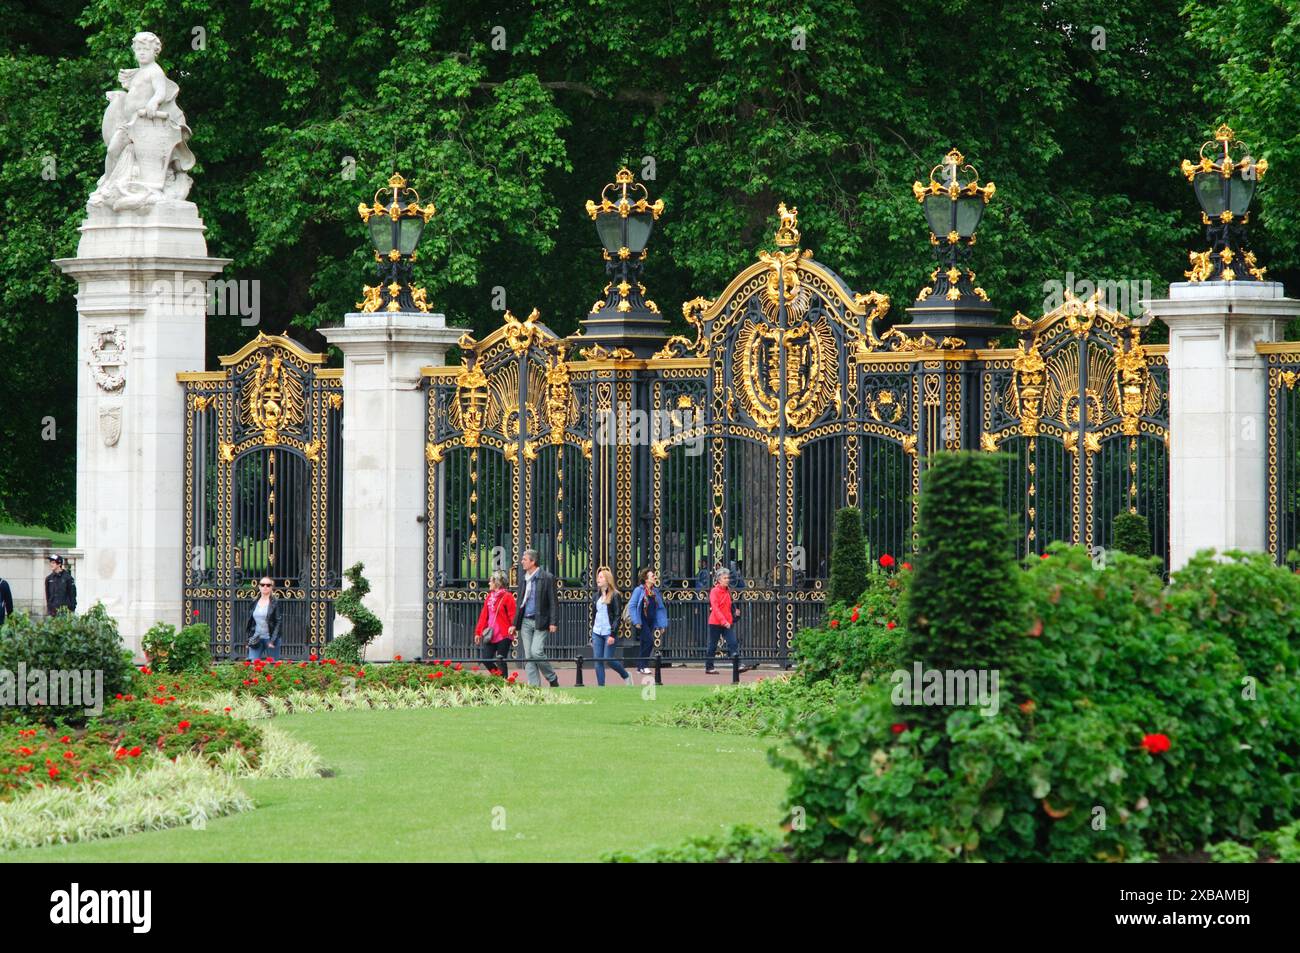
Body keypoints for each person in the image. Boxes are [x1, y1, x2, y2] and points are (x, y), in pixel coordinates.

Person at [509, 549, 560, 688]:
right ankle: (534, 687)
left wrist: (553, 622)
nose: (521, 562)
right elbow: (520, 602)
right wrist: (514, 623)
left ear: (533, 562)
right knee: (529, 656)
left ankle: (552, 677)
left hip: (541, 621)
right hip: (525, 621)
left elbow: (553, 602)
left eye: (524, 559)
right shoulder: (524, 578)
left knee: (536, 652)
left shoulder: (547, 577)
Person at [590, 567, 631, 686]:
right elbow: (594, 615)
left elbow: (617, 616)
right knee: (598, 660)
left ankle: (625, 675)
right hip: (597, 632)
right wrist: (592, 632)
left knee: (608, 659)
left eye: (601, 577)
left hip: (609, 632)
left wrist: (613, 634)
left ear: (607, 580)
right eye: (598, 577)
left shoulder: (615, 595)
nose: (598, 579)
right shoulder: (595, 596)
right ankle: (601, 686)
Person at [474, 571, 517, 677]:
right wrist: (478, 632)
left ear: (497, 583)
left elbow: (513, 614)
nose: (489, 583)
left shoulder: (508, 597)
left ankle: (504, 684)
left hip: (504, 634)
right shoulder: (489, 597)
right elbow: (484, 616)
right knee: (486, 659)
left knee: (500, 659)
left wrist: (513, 626)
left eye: (491, 581)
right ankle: (499, 677)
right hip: (491, 634)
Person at [628, 567, 669, 675]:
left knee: (644, 643)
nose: (655, 577)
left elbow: (660, 608)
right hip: (642, 621)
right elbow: (632, 606)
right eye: (652, 576)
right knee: (650, 641)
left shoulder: (655, 591)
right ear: (646, 579)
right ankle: (644, 665)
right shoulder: (639, 590)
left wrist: (662, 625)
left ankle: (639, 667)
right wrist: (636, 621)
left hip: (651, 621)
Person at [705, 567, 744, 675]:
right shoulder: (714, 591)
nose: (727, 580)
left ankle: (738, 665)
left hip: (727, 622)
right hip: (716, 622)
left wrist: (734, 612)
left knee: (733, 643)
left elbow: (728, 606)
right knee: (713, 645)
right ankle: (709, 667)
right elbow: (715, 608)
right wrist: (724, 621)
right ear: (719, 580)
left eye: (728, 578)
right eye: (725, 578)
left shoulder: (728, 591)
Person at [245, 576, 282, 661]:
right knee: (253, 665)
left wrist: (272, 640)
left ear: (271, 587)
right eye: (262, 584)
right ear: (259, 587)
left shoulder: (275, 603)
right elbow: (251, 622)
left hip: (270, 638)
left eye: (268, 585)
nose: (265, 587)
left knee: (273, 667)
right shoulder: (254, 602)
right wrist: (248, 639)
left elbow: (278, 622)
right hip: (256, 638)